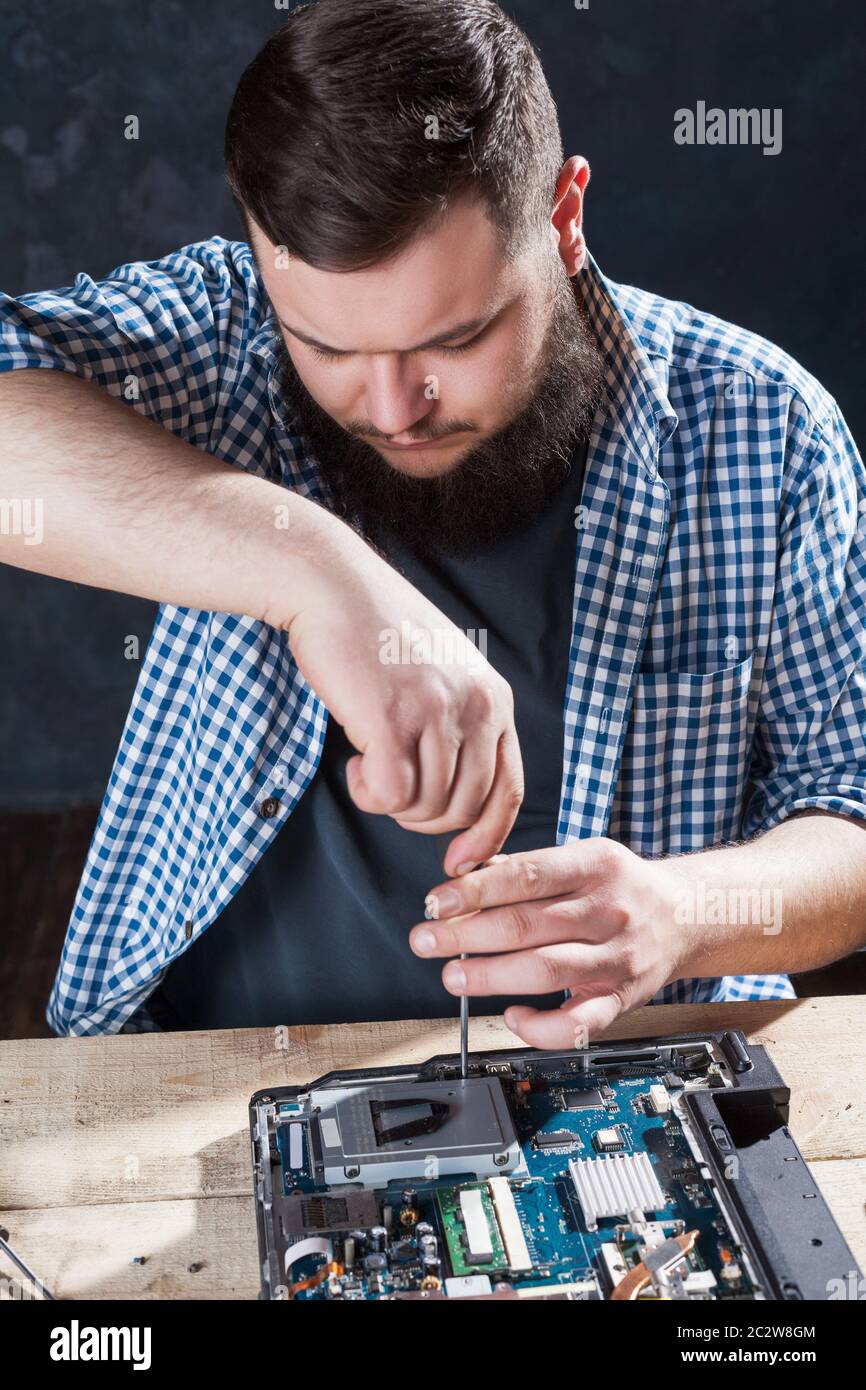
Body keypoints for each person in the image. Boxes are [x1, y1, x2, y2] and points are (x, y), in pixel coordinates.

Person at [2, 0, 865, 1044]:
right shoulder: (225, 333)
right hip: (199, 1063)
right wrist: (314, 572)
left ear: (562, 218)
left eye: (453, 340)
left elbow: (849, 815)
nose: (391, 407)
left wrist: (685, 914)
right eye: (325, 347)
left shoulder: (766, 432)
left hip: (607, 1083)